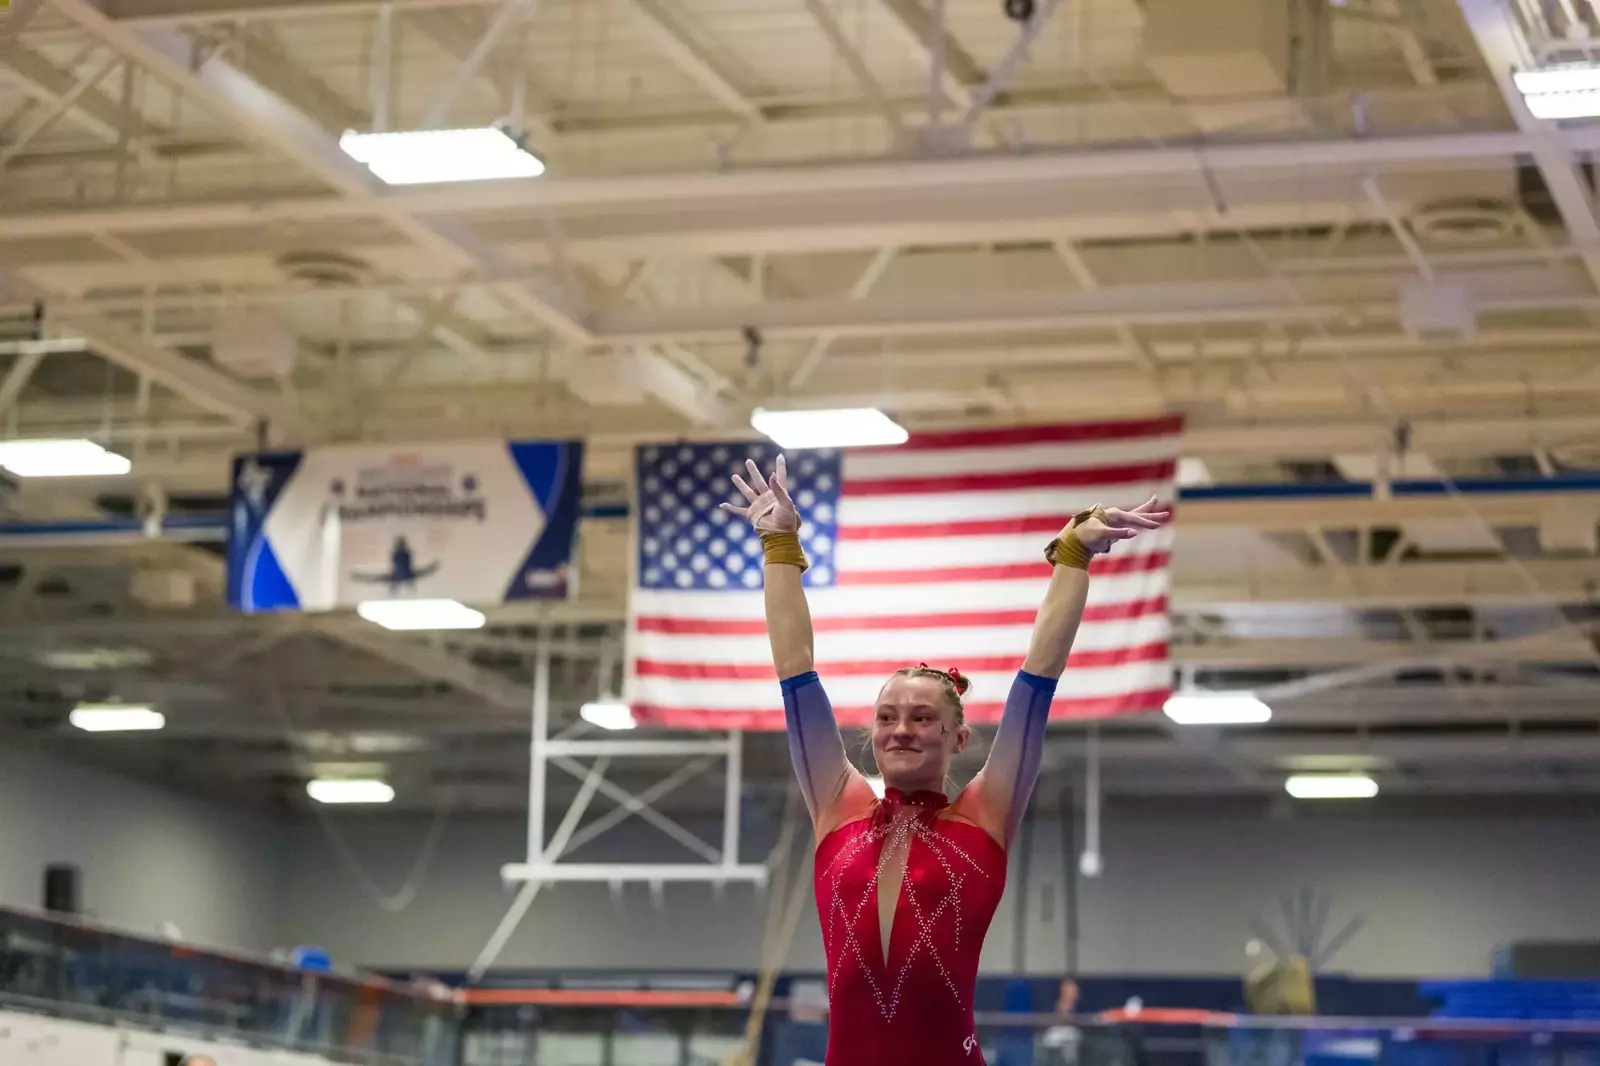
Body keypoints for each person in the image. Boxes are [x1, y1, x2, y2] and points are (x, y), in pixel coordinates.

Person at [721, 455, 1170, 1066]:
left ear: (958, 739)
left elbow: (1038, 680)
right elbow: (795, 672)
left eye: (922, 717)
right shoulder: (838, 808)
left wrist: (1073, 557)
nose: (901, 730)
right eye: (887, 717)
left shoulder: (983, 817)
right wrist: (779, 547)